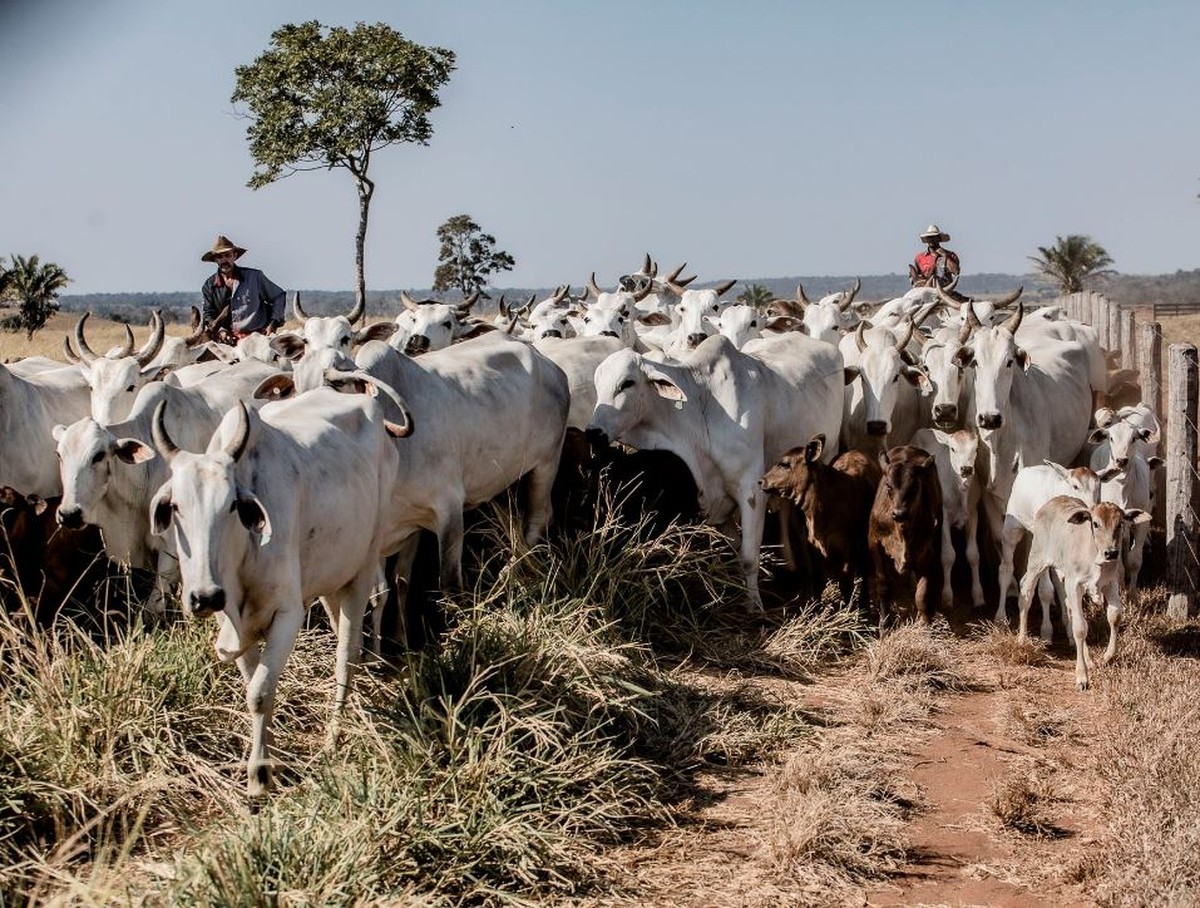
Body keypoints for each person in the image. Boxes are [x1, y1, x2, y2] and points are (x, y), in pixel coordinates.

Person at [200, 234, 287, 342]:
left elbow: (278, 296)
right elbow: (208, 314)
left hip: (258, 338)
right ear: (215, 260)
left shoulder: (255, 277)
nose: (224, 260)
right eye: (219, 257)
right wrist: (221, 331)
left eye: (227, 255)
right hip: (226, 340)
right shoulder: (209, 285)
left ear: (235, 256)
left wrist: (273, 323)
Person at [910, 223, 961, 289]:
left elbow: (956, 271)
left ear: (939, 239)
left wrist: (946, 256)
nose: (931, 240)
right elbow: (914, 278)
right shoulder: (919, 257)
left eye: (934, 237)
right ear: (926, 239)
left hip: (944, 291)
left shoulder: (950, 255)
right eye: (929, 237)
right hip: (926, 291)